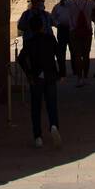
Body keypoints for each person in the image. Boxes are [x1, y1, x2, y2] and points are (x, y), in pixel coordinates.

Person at [18, 12, 62, 148]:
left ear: (30, 28)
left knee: (36, 107)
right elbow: (59, 55)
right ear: (43, 26)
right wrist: (61, 72)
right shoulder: (50, 39)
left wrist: (28, 74)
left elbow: (21, 59)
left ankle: (38, 137)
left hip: (36, 77)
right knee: (52, 104)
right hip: (50, 75)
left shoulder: (29, 43)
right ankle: (54, 126)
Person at [68, 0, 93, 85]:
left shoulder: (70, 3)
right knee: (86, 55)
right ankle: (86, 76)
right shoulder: (89, 3)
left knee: (77, 55)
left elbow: (62, 1)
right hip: (87, 31)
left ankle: (79, 77)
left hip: (74, 31)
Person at [50, 0, 71, 80]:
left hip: (70, 30)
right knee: (61, 52)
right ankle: (63, 72)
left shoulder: (70, 5)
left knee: (73, 50)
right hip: (61, 30)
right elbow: (53, 18)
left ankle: (75, 69)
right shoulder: (56, 7)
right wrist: (57, 24)